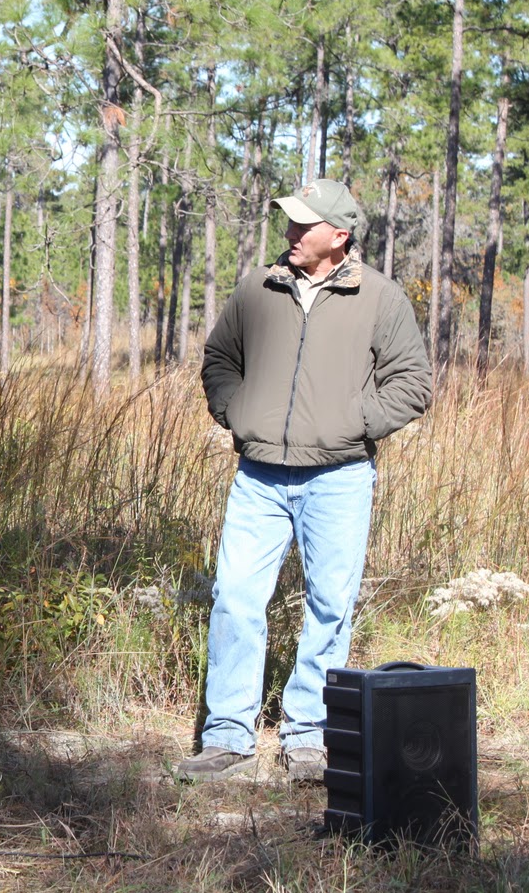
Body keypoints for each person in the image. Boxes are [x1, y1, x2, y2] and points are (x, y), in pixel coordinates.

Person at [178, 177, 431, 785]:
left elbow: (413, 384)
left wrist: (350, 425)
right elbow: (219, 359)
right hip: (259, 475)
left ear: (339, 235)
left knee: (328, 606)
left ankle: (310, 737)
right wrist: (238, 414)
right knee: (236, 596)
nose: (289, 233)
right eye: (288, 222)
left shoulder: (381, 298)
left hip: (340, 478)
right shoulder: (257, 290)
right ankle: (227, 738)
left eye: (302, 223)